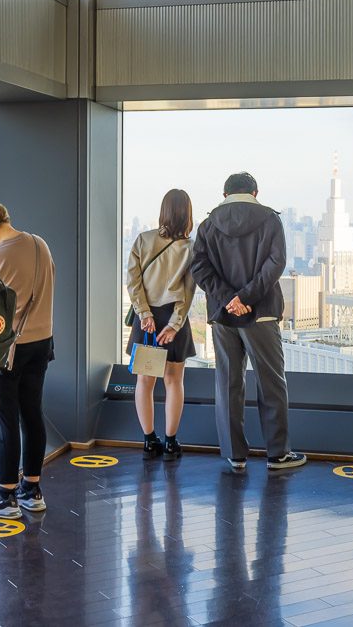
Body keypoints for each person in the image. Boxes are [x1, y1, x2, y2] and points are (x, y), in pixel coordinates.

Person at [191, 172, 307, 471]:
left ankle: (235, 455)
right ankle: (277, 454)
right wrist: (247, 296)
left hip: (223, 315)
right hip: (263, 312)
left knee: (228, 383)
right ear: (255, 192)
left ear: (224, 193)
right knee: (271, 383)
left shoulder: (208, 225)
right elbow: (276, 263)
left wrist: (230, 298)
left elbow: (199, 269)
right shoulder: (270, 220)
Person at [0, 199, 56, 518]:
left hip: (6, 350)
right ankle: (32, 489)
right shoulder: (39, 244)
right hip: (42, 343)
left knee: (5, 421)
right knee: (32, 414)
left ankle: (5, 495)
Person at [126, 189, 197, 460]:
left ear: (164, 210)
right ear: (187, 213)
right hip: (172, 318)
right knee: (174, 380)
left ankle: (148, 440)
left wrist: (144, 314)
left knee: (145, 381)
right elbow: (189, 291)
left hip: (147, 320)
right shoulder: (190, 249)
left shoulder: (143, 240)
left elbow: (133, 281)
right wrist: (175, 324)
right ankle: (170, 442)